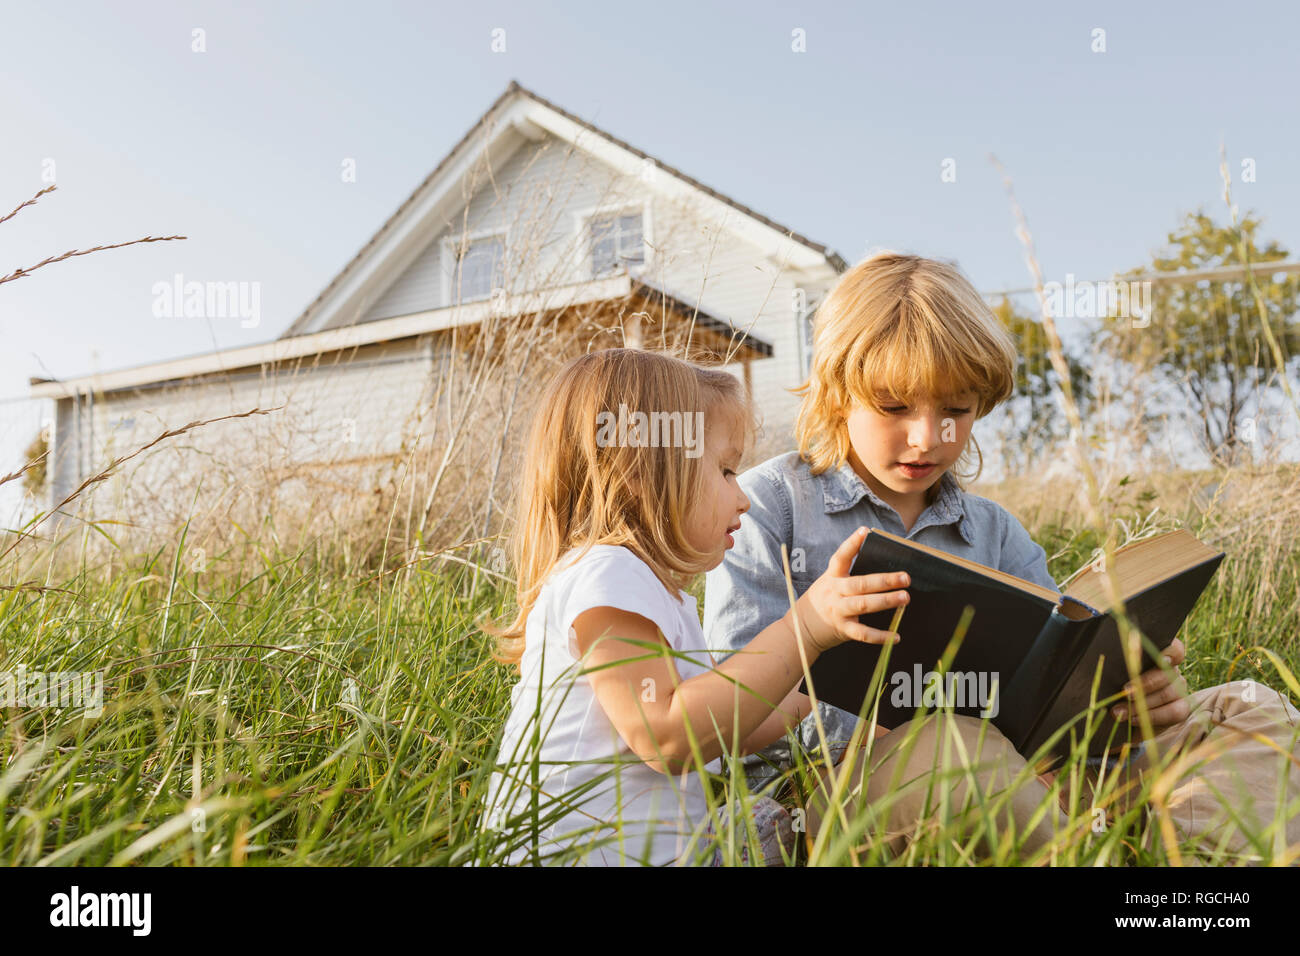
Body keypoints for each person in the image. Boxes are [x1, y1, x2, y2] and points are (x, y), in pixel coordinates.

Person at [703, 251, 1300, 862]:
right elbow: (730, 726)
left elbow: (1052, 692)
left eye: (955, 411)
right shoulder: (764, 506)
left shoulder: (994, 532)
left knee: (1250, 708)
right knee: (950, 745)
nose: (928, 437)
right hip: (840, 798)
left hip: (1030, 779)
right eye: (894, 407)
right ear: (836, 393)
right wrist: (883, 723)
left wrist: (1127, 700)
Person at [479, 347, 911, 865]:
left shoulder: (656, 593)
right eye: (727, 471)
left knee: (764, 824)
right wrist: (806, 627)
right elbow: (666, 736)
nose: (744, 497)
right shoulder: (607, 574)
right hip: (572, 857)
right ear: (640, 473)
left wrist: (834, 702)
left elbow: (732, 725)